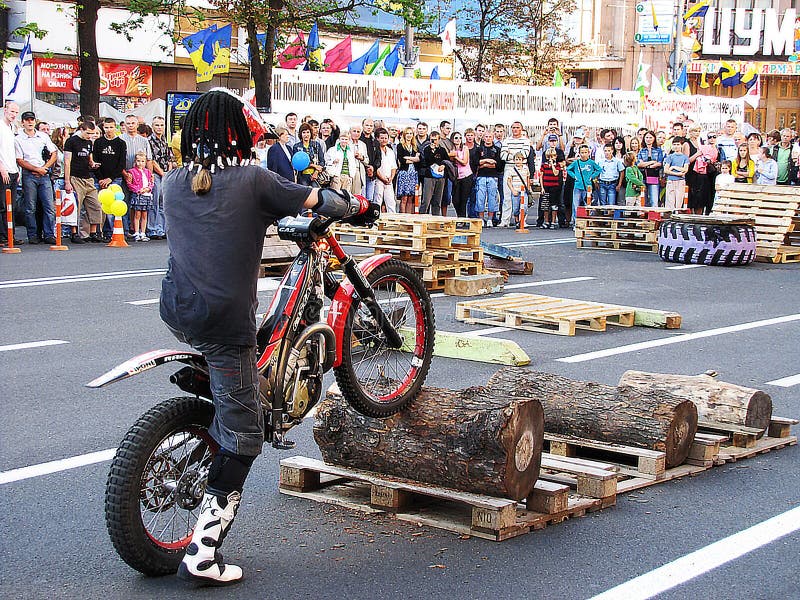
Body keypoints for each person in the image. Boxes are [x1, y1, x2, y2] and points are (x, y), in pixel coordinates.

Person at [160, 89, 375, 587]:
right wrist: (356, 203)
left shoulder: (170, 183)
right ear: (240, 132)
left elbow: (213, 216)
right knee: (245, 438)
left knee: (240, 367)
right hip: (223, 321)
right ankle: (203, 553)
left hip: (178, 309)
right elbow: (316, 199)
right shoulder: (254, 180)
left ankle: (235, 397)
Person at [14, 110, 58, 244]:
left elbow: (54, 153)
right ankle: (33, 235)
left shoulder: (43, 136)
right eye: (27, 120)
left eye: (31, 120)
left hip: (44, 173)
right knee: (30, 207)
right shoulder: (18, 139)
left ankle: (49, 234)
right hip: (29, 174)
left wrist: (44, 168)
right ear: (22, 123)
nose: (30, 122)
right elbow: (19, 160)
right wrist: (36, 169)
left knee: (49, 206)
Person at [64, 122, 104, 244]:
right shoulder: (71, 141)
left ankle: (93, 232)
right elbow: (67, 161)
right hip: (75, 177)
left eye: (92, 134)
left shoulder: (89, 142)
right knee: (77, 206)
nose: (90, 136)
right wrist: (67, 181)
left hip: (87, 177)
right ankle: (74, 233)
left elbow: (89, 156)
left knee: (95, 205)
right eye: (88, 133)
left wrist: (92, 163)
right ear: (81, 130)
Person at [94, 118, 127, 240]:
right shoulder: (98, 142)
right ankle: (104, 232)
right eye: (106, 127)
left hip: (115, 178)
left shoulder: (120, 143)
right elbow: (95, 162)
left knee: (115, 205)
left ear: (115, 127)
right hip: (100, 179)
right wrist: (101, 178)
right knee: (101, 207)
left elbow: (121, 164)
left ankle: (117, 231)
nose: (109, 130)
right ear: (103, 128)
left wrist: (110, 178)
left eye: (111, 127)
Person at [499, 121, 530, 227]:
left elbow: (525, 154)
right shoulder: (507, 140)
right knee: (507, 196)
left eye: (517, 127)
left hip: (522, 168)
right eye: (513, 127)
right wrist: (516, 156)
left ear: (521, 129)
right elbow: (503, 155)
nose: (515, 129)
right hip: (509, 167)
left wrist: (512, 154)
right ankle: (505, 220)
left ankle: (522, 220)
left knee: (522, 196)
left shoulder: (525, 141)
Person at [0, 101, 21, 246]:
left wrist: (17, 169)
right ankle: (3, 236)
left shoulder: (12, 128)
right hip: (3, 171)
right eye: (12, 111)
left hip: (13, 170)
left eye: (16, 112)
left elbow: (13, 151)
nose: (14, 115)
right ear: (5, 110)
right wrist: (2, 168)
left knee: (11, 206)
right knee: (3, 205)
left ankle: (10, 235)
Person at [147, 116, 171, 239]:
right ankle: (152, 229)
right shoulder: (149, 141)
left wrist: (169, 171)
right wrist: (162, 173)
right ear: (152, 126)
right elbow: (152, 160)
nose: (159, 127)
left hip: (166, 174)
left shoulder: (165, 140)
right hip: (156, 174)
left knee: (163, 203)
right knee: (154, 202)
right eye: (157, 125)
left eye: (161, 125)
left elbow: (169, 157)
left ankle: (161, 229)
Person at [566, 145, 602, 226]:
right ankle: (576, 223)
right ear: (579, 153)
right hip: (578, 186)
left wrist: (592, 176)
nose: (584, 154)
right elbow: (568, 169)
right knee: (576, 205)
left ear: (588, 153)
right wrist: (574, 176)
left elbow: (599, 169)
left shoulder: (591, 162)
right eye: (582, 152)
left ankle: (587, 222)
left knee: (588, 205)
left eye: (585, 152)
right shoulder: (576, 162)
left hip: (588, 187)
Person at [474, 130, 501, 226]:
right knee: (480, 198)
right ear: (483, 138)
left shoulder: (497, 149)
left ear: (492, 137)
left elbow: (498, 164)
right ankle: (481, 218)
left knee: (492, 198)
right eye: (486, 137)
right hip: (481, 177)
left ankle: (490, 219)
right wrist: (487, 161)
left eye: (490, 136)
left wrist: (485, 164)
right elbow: (476, 163)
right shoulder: (479, 149)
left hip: (493, 177)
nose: (488, 138)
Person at [420, 131, 448, 215]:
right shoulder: (426, 149)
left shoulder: (442, 150)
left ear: (439, 140)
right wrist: (432, 151)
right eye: (432, 140)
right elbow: (427, 161)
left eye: (435, 140)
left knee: (437, 200)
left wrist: (443, 165)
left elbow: (447, 160)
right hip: (429, 176)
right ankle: (422, 218)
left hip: (440, 176)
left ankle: (436, 219)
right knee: (426, 200)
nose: (434, 142)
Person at [395, 126, 420, 213]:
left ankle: (408, 218)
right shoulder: (400, 146)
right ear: (404, 135)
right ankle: (402, 217)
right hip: (404, 173)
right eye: (407, 133)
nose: (409, 135)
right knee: (404, 198)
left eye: (411, 133)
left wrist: (409, 158)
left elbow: (418, 160)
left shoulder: (415, 146)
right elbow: (402, 160)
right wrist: (413, 159)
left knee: (411, 198)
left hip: (413, 174)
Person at [636, 130, 663, 207]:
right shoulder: (641, 150)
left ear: (654, 138)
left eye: (650, 137)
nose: (648, 139)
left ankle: (653, 215)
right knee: (643, 199)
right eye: (647, 137)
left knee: (654, 199)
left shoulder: (658, 150)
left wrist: (647, 165)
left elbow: (659, 163)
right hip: (643, 175)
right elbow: (639, 164)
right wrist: (652, 162)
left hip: (654, 175)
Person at [373, 127, 397, 213]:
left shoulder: (390, 151)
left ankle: (393, 221)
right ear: (377, 138)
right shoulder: (375, 150)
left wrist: (391, 178)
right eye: (382, 138)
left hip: (389, 180)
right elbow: (376, 167)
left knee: (391, 202)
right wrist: (382, 178)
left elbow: (394, 166)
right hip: (378, 179)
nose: (384, 140)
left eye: (386, 138)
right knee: (377, 201)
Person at [450, 131, 473, 217]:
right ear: (452, 139)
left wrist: (455, 157)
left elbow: (464, 162)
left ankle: (462, 218)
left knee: (463, 199)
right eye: (456, 138)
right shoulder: (451, 149)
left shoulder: (465, 148)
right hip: (456, 177)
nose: (458, 140)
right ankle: (459, 216)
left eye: (460, 138)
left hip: (466, 176)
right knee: (455, 200)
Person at [539, 147, 563, 228]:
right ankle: (546, 221)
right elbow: (541, 176)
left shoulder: (557, 165)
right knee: (545, 205)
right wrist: (542, 187)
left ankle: (553, 221)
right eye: (548, 157)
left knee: (554, 205)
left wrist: (552, 164)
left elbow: (556, 173)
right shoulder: (544, 166)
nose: (550, 158)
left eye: (552, 156)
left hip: (554, 187)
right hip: (546, 187)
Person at [662, 137, 689, 209]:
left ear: (681, 145)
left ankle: (676, 214)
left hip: (681, 181)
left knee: (679, 201)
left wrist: (674, 167)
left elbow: (685, 169)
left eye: (678, 144)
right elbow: (666, 170)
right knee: (670, 201)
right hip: (671, 180)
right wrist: (677, 173)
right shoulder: (670, 157)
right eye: (674, 144)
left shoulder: (685, 157)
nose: (676, 146)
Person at [505, 152, 530, 227]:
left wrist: (528, 188)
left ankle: (522, 220)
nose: (518, 161)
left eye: (520, 159)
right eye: (516, 159)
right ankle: (517, 220)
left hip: (524, 191)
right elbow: (508, 181)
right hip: (516, 191)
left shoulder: (526, 168)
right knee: (516, 208)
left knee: (524, 207)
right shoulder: (511, 170)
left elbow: (528, 178)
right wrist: (512, 190)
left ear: (523, 160)